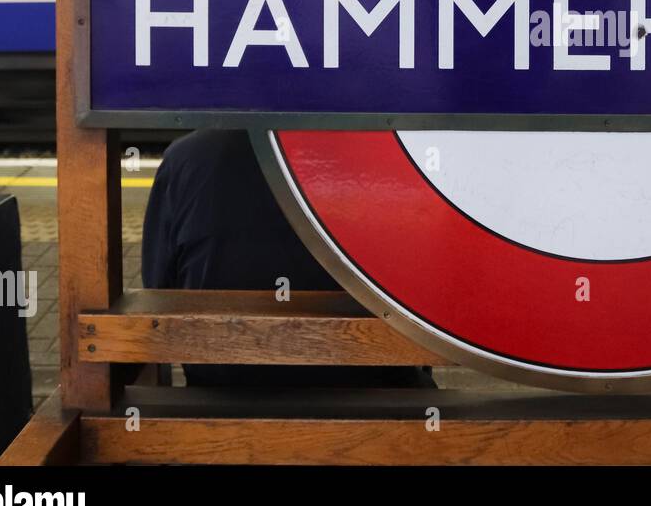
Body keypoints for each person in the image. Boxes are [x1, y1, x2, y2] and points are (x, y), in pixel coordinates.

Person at [142, 129, 434, 388]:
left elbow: (158, 289)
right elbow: (423, 293)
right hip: (377, 394)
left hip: (224, 394)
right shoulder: (387, 161)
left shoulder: (187, 158)